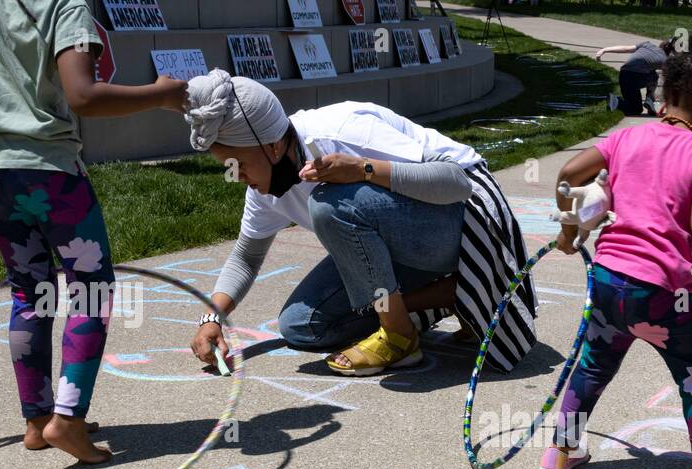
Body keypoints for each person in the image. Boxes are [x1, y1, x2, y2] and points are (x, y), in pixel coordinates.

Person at [0, 0, 187, 464]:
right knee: (92, 288)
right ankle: (69, 422)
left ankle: (37, 421)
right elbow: (83, 95)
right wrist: (161, 95)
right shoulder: (65, 5)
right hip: (46, 164)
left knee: (29, 289)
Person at [184, 72, 536, 378]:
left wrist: (362, 169)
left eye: (239, 163)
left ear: (273, 147)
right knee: (302, 326)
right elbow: (247, 257)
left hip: (468, 222)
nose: (235, 175)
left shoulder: (343, 130)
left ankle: (400, 337)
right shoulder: (265, 186)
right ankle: (453, 295)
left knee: (329, 205)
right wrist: (211, 318)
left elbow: (456, 183)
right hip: (408, 239)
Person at [543, 49, 692, 469]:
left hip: (608, 281)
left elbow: (568, 173)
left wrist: (570, 234)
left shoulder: (627, 138)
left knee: (592, 365)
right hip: (664, 295)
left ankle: (561, 450)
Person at [597, 31, 692, 117]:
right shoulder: (665, 60)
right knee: (652, 79)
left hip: (624, 75)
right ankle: (649, 99)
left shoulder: (647, 44)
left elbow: (626, 48)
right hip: (633, 78)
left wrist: (605, 49)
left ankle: (616, 101)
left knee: (634, 106)